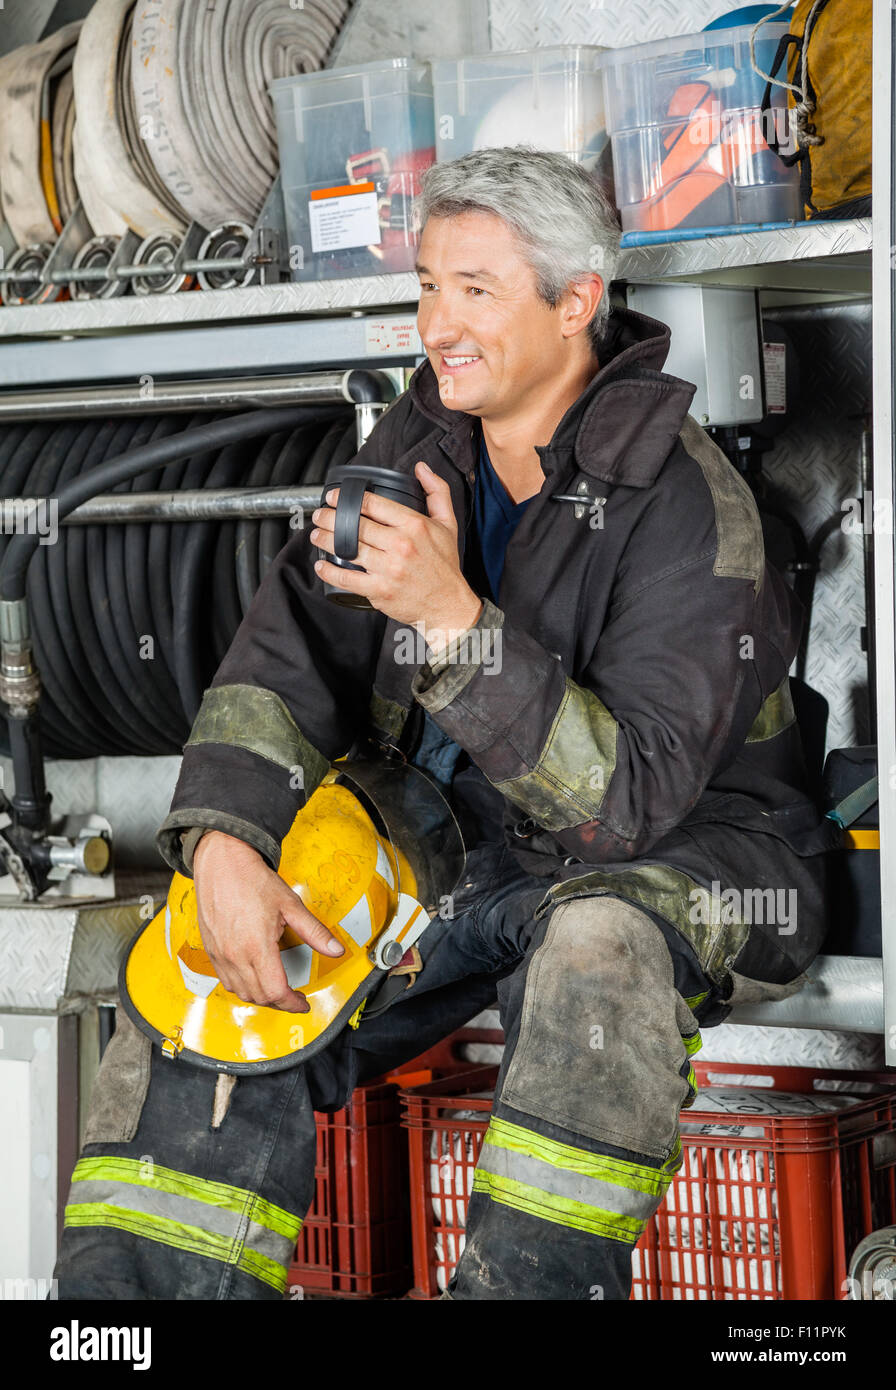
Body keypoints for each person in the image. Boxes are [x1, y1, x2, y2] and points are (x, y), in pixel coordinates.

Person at [54, 146, 839, 1301]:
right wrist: (222, 838)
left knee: (594, 946)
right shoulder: (410, 450)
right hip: (453, 849)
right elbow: (287, 658)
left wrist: (449, 619)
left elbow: (620, 809)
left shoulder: (688, 508)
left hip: (689, 857)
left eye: (476, 289)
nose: (438, 321)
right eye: (427, 284)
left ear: (574, 304)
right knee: (210, 947)